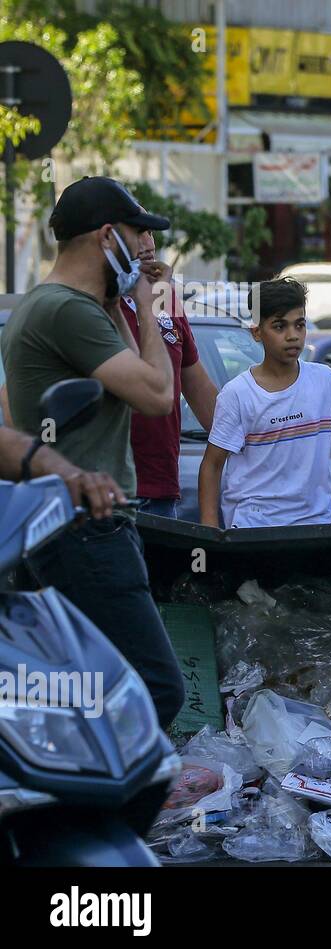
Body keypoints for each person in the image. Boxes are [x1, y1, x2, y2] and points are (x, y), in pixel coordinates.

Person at [1, 176, 184, 727]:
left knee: (80, 691)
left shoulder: (60, 306)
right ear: (108, 237)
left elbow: (132, 373)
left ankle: (68, 800)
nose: (147, 248)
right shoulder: (64, 311)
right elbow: (156, 394)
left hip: (65, 525)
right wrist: (148, 306)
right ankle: (98, 805)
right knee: (155, 691)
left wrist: (121, 302)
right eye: (138, 234)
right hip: (87, 527)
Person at [198, 277, 331, 529]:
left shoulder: (326, 382)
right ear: (256, 332)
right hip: (254, 530)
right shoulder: (238, 394)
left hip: (316, 526)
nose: (292, 336)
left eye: (299, 325)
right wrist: (210, 531)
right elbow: (212, 465)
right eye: (279, 326)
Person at [117, 230, 219, 519]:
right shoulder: (94, 305)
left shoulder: (167, 298)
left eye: (149, 233)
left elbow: (196, 385)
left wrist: (250, 440)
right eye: (137, 232)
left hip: (162, 488)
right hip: (111, 492)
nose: (148, 244)